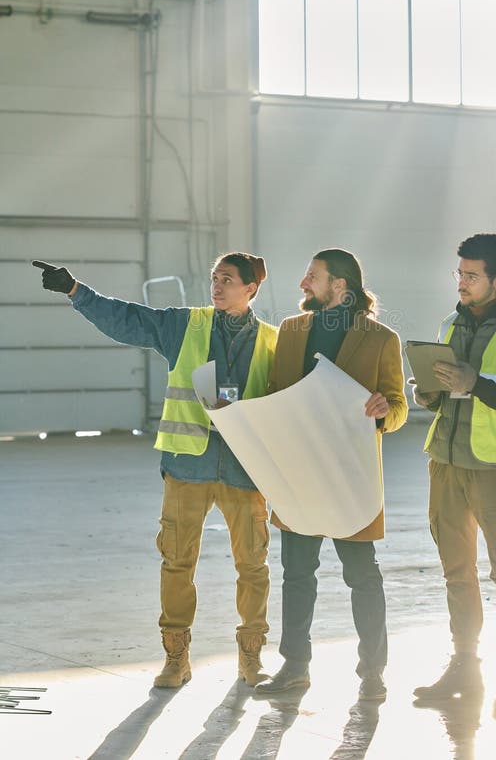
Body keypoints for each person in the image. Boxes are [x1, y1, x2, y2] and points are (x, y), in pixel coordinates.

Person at [32, 253, 278, 688]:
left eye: (227, 280)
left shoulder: (275, 342)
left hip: (245, 471)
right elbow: (128, 320)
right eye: (214, 278)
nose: (217, 286)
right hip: (188, 466)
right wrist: (75, 291)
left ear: (251, 288)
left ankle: (251, 657)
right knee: (177, 564)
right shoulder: (186, 325)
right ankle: (175, 658)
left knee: (253, 567)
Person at [255, 248, 408, 702]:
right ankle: (294, 667)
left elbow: (399, 406)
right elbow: (274, 393)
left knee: (362, 576)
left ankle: (373, 674)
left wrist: (383, 410)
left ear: (339, 285)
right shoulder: (290, 331)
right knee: (296, 574)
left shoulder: (382, 339)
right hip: (299, 474)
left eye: (312, 276)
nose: (303, 284)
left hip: (350, 478)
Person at [411, 233, 496, 701]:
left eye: (471, 275)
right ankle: (464, 666)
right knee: (457, 571)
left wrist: (476, 383)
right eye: (459, 273)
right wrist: (427, 392)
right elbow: (444, 395)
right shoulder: (450, 323)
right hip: (446, 464)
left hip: (495, 469)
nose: (462, 282)